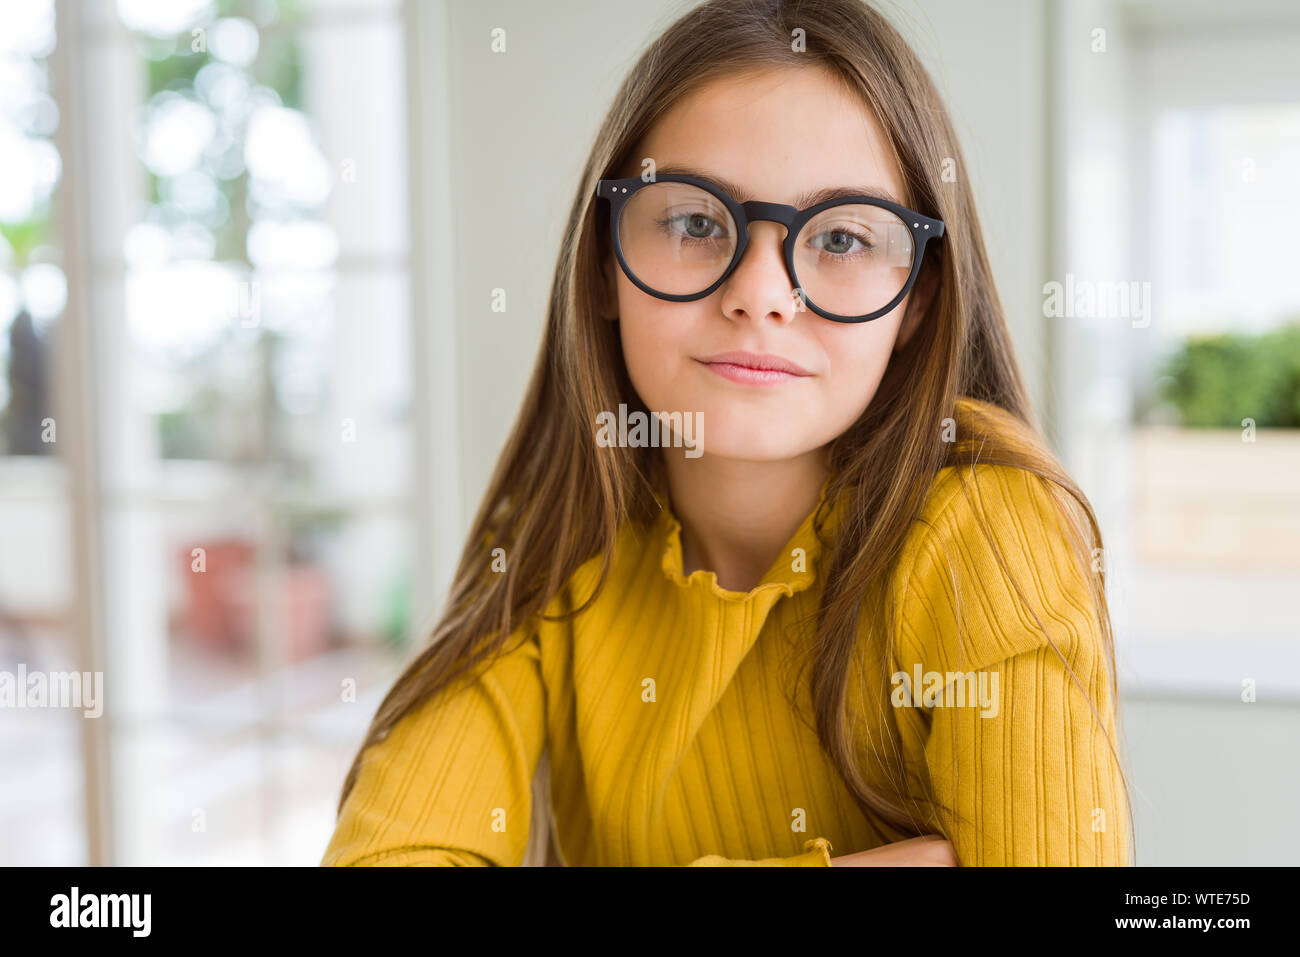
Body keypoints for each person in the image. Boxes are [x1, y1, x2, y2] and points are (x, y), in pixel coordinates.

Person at [322, 0, 1132, 867]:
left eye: (845, 237)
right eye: (696, 224)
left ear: (918, 300)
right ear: (602, 264)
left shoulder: (990, 530)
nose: (763, 294)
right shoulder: (558, 533)